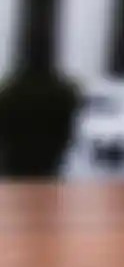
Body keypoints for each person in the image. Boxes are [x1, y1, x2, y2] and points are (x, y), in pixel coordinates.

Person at [0, 37, 81, 178]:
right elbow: (67, 132)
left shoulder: (11, 91)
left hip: (15, 166)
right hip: (48, 167)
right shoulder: (64, 93)